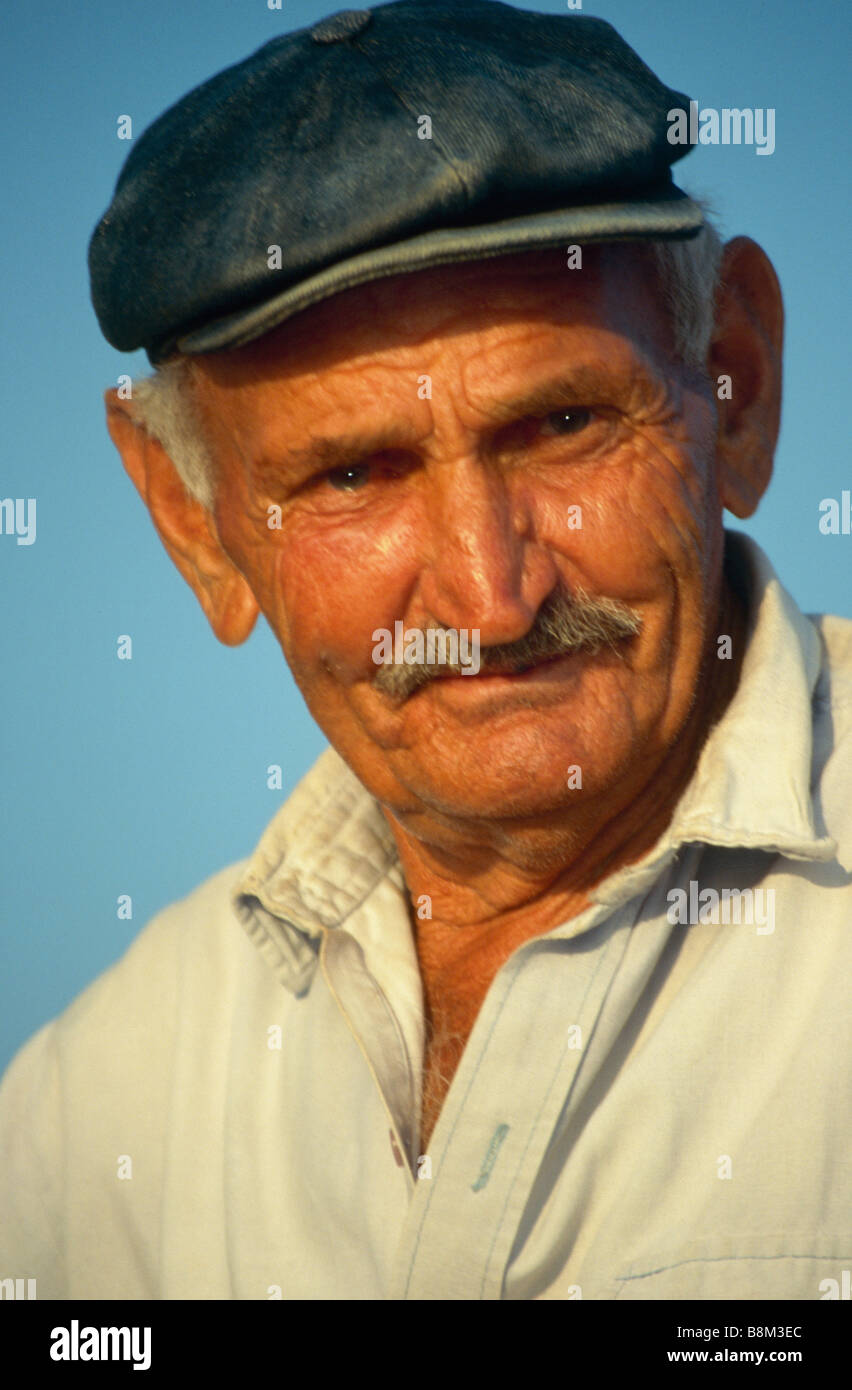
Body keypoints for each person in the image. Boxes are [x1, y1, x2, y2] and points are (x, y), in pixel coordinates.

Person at [1, 0, 850, 1301]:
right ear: (195, 523)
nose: (493, 596)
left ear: (732, 380)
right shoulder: (96, 1117)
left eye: (564, 421)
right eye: (352, 474)